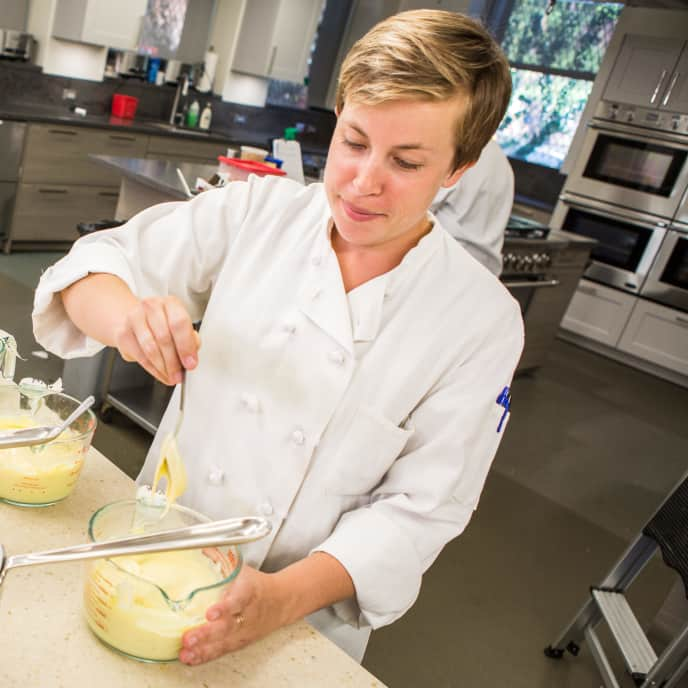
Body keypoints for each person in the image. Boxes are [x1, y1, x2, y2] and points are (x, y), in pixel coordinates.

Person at [32, 10, 523, 666]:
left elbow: (423, 508)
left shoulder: (479, 320)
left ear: (457, 170)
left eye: (405, 161)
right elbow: (94, 267)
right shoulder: (258, 213)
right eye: (353, 141)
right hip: (150, 556)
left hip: (303, 623)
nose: (361, 181)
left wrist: (278, 598)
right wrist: (128, 320)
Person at [430, 138, 514, 276]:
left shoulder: (461, 149)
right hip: (482, 272)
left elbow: (416, 211)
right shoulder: (498, 156)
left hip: (447, 266)